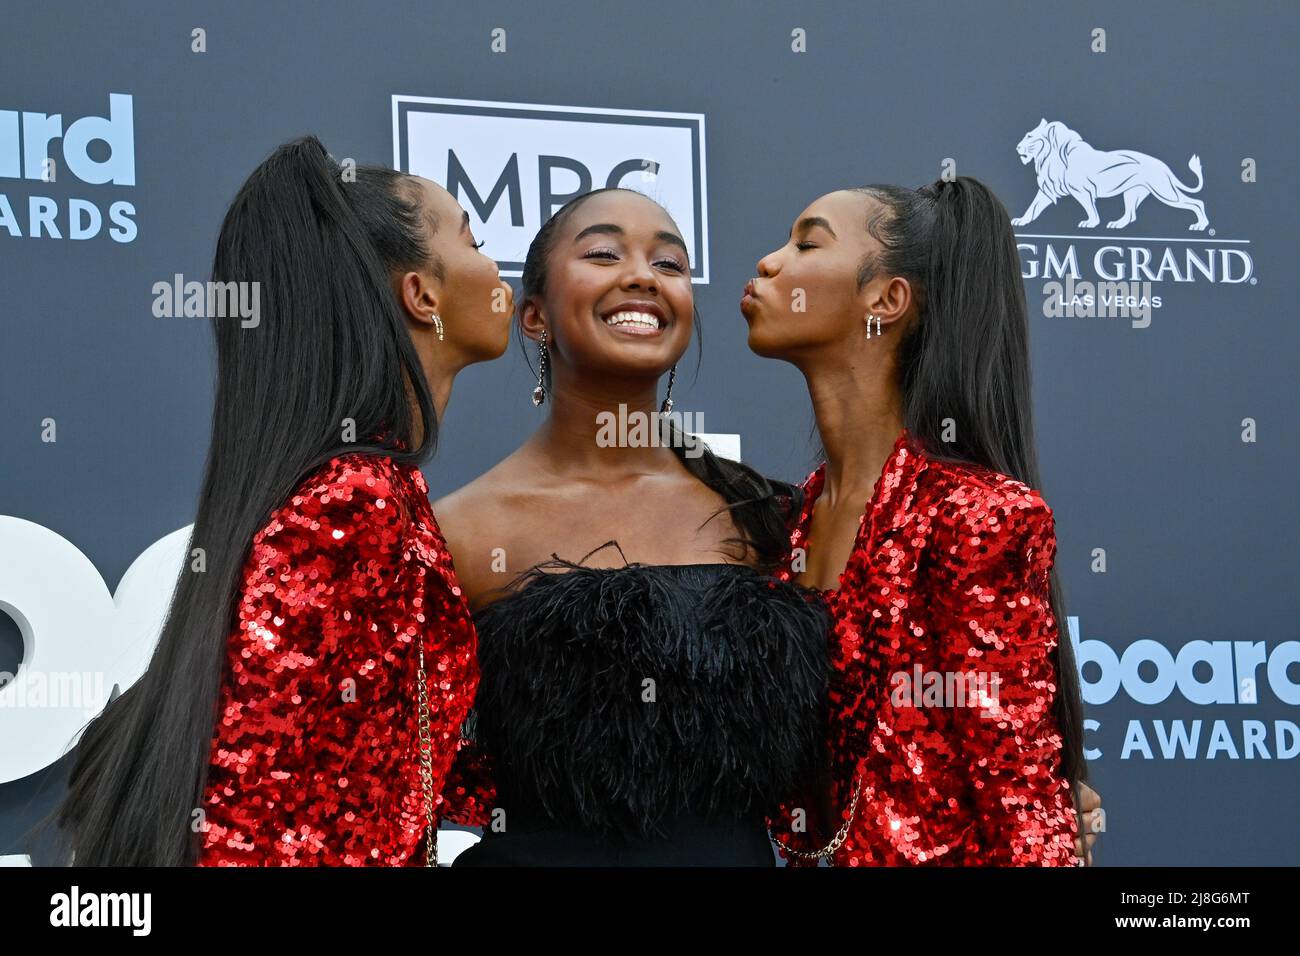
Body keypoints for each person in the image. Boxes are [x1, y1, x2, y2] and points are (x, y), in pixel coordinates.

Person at [41, 136, 509, 865]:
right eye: (475, 243)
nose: (497, 271)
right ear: (422, 296)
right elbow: (257, 808)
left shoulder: (385, 490)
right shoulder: (355, 502)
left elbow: (378, 760)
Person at [433, 187, 831, 865]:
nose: (643, 275)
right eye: (602, 253)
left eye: (670, 264)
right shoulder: (458, 529)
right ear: (534, 316)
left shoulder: (768, 519)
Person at [746, 177, 1099, 865]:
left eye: (807, 243)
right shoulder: (782, 530)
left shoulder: (975, 518)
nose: (768, 262)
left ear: (886, 300)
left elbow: (1024, 809)